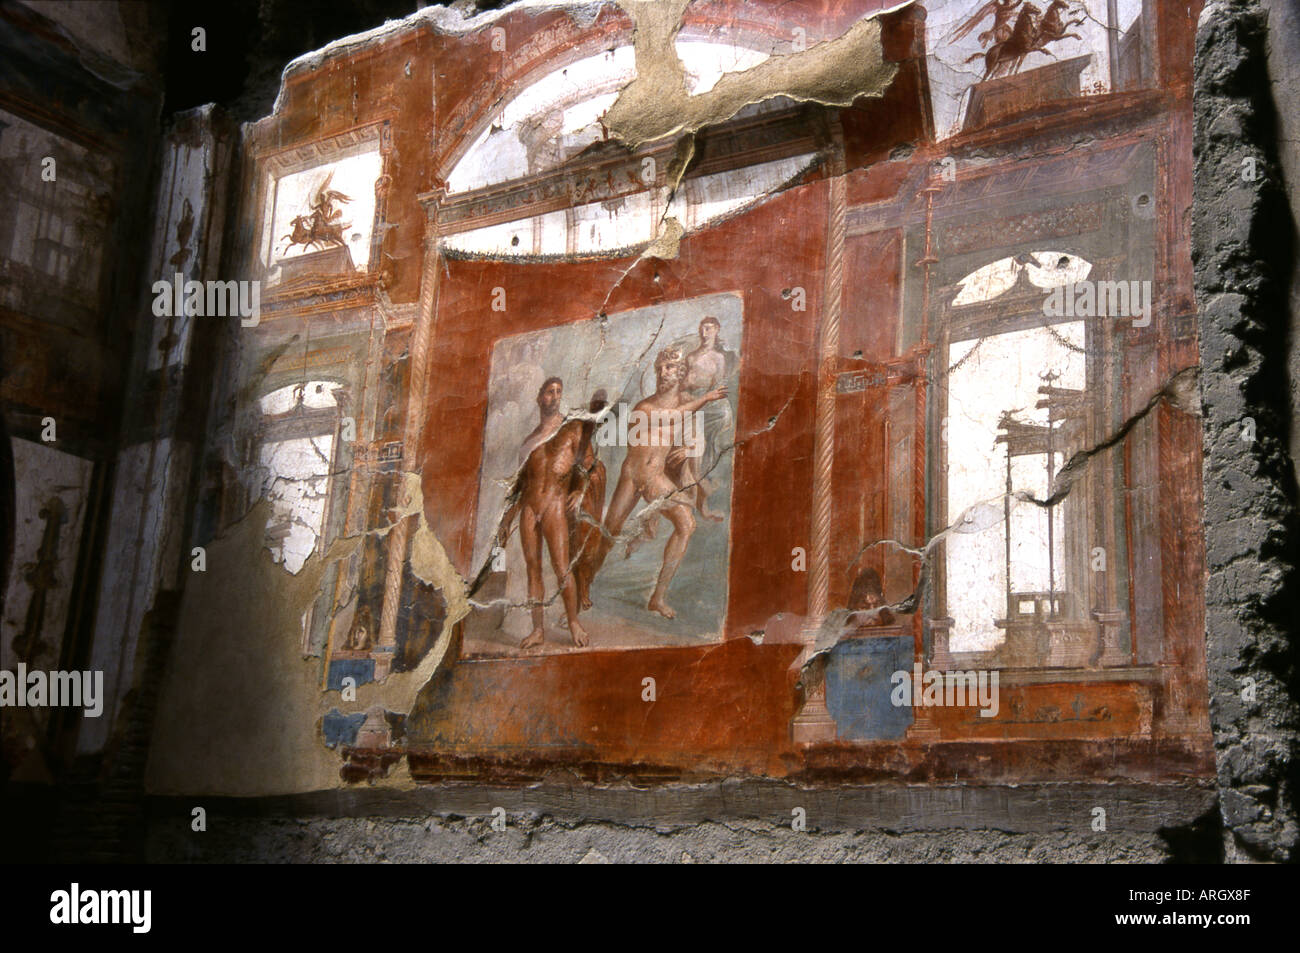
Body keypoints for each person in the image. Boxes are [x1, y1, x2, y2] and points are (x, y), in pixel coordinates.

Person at [583, 347, 726, 619]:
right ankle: (584, 585)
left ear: (681, 372)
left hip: (656, 477)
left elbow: (696, 437)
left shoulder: (686, 402)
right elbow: (671, 418)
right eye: (660, 368)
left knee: (687, 525)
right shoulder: (644, 407)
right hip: (633, 475)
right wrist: (706, 398)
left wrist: (689, 449)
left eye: (670, 368)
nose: (664, 373)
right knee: (609, 533)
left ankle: (657, 598)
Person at [495, 377, 597, 648]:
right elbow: (519, 486)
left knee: (562, 569)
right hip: (529, 507)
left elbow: (589, 464)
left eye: (558, 392)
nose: (555, 396)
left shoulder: (572, 429)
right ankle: (537, 629)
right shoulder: (529, 441)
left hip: (554, 504)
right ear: (539, 398)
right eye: (549, 392)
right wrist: (506, 521)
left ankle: (574, 623)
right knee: (533, 571)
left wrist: (581, 491)